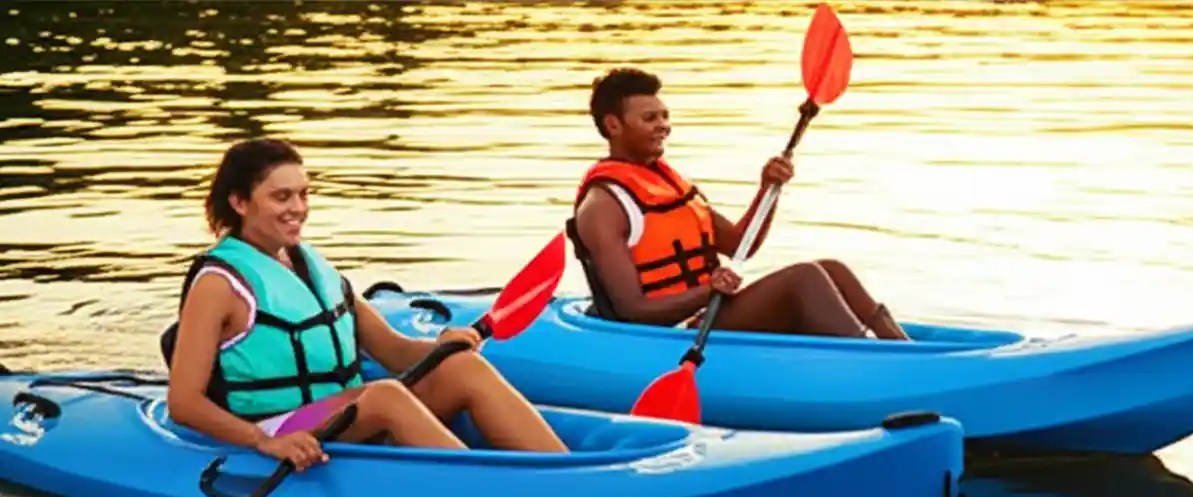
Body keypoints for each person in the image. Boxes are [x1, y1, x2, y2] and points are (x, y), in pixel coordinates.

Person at [163, 137, 568, 470]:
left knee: (462, 366)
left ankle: (565, 474)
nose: (299, 209)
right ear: (239, 202)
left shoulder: (309, 265)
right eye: (281, 197)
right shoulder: (218, 283)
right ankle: (497, 495)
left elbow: (394, 351)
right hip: (278, 422)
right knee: (382, 396)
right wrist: (263, 441)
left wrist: (443, 346)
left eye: (304, 194)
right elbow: (183, 402)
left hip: (339, 411)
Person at [566, 67, 910, 340]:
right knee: (804, 278)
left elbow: (739, 245)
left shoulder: (667, 183)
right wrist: (708, 291)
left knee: (831, 269)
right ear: (613, 125)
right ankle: (868, 362)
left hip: (708, 313)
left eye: (664, 116)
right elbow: (632, 310)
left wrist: (768, 189)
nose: (664, 126)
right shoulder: (603, 206)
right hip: (671, 335)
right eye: (650, 118)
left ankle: (900, 349)